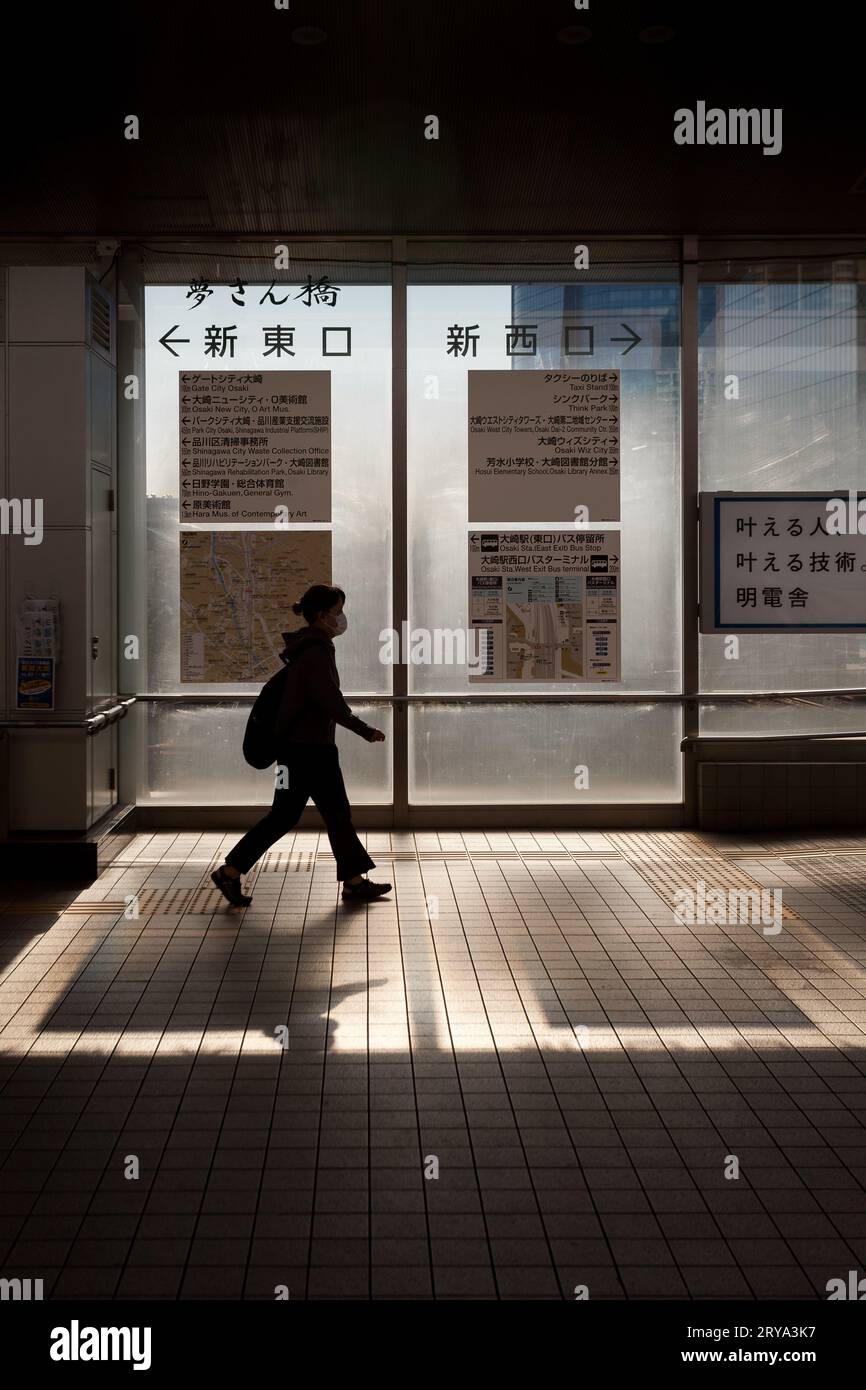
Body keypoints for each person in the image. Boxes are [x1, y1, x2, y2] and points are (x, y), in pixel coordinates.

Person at [211, 584, 392, 907]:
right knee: (319, 814)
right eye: (337, 612)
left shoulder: (309, 648)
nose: (342, 619)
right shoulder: (315, 654)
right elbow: (331, 704)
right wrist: (365, 730)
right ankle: (231, 871)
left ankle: (233, 872)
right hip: (310, 753)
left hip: (296, 752)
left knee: (303, 815)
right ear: (322, 617)